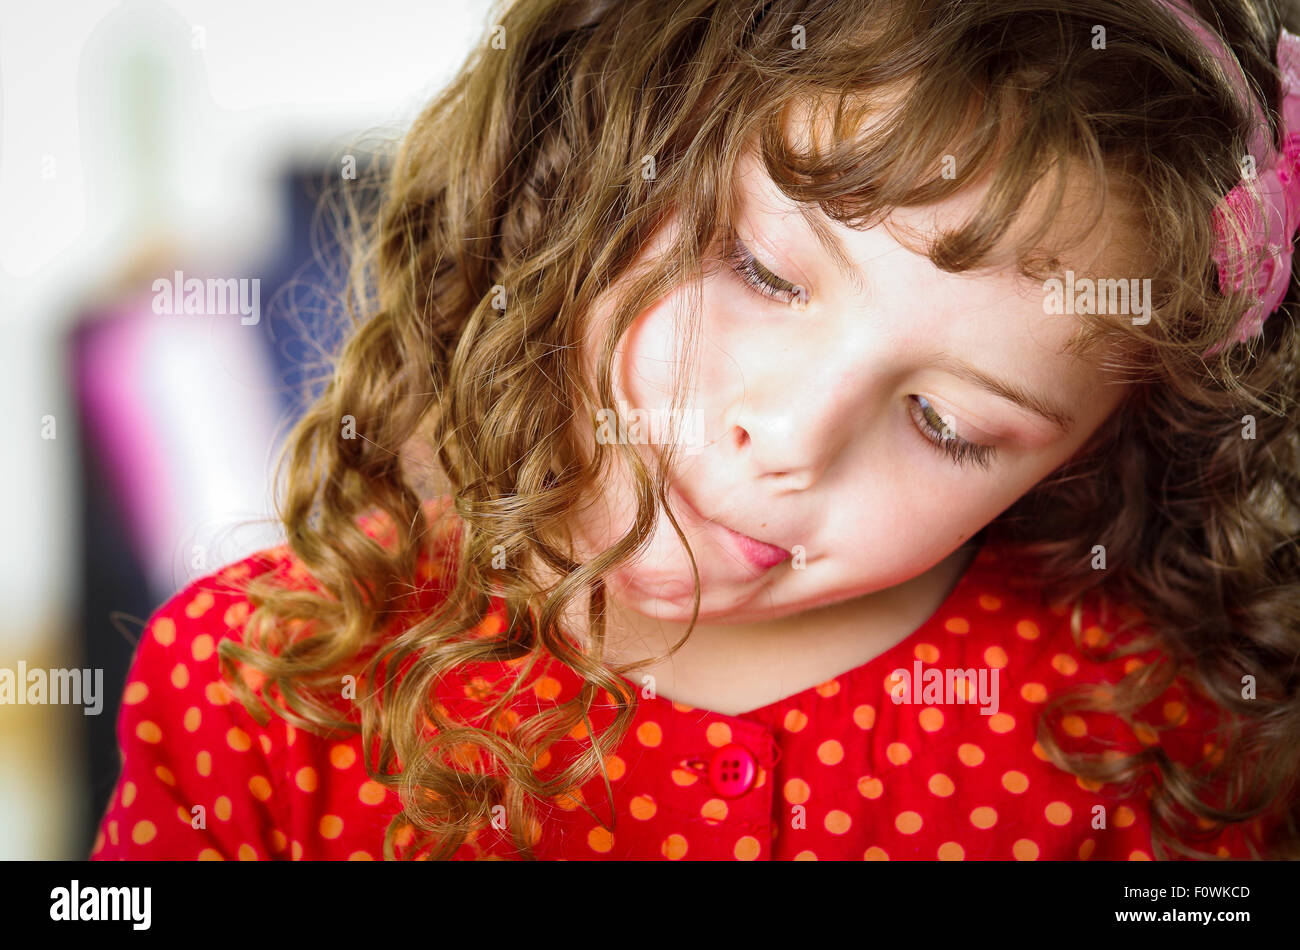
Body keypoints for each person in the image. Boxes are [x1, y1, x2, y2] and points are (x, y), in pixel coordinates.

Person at [91, 0, 1299, 860]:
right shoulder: (256, 687)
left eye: (946, 422)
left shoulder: (1149, 733)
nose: (785, 439)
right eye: (763, 275)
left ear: (1091, 454)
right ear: (581, 166)